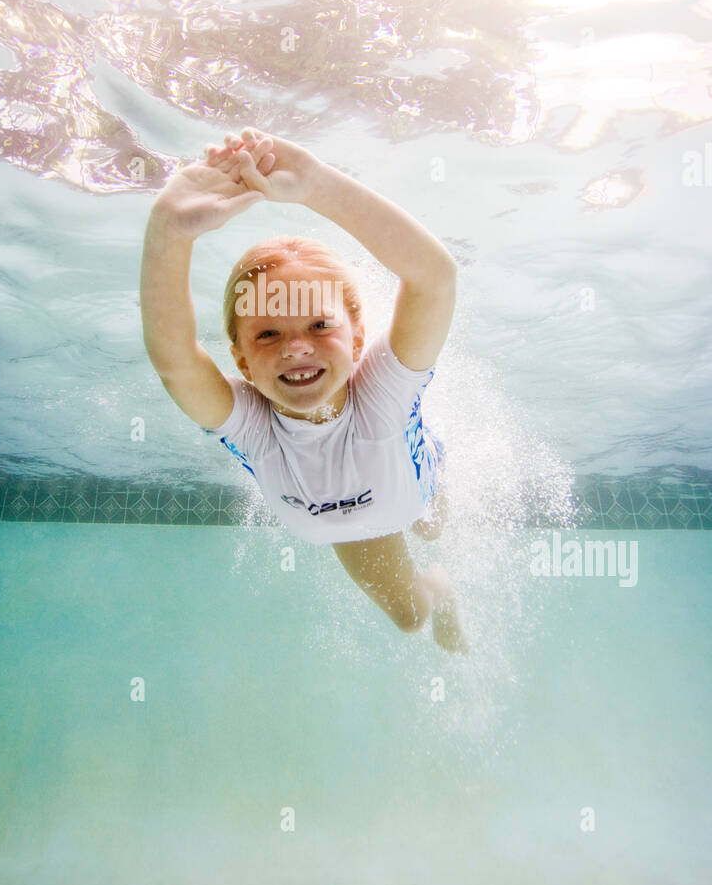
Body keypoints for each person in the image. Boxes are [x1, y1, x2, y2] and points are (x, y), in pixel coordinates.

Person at [140, 125, 468, 653]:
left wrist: (317, 186)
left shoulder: (380, 395)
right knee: (410, 620)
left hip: (413, 480)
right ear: (241, 360)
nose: (296, 349)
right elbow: (175, 362)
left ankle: (437, 463)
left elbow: (436, 278)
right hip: (358, 519)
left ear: (359, 337)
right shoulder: (251, 425)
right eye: (268, 333)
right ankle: (442, 592)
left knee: (431, 525)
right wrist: (169, 229)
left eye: (319, 326)